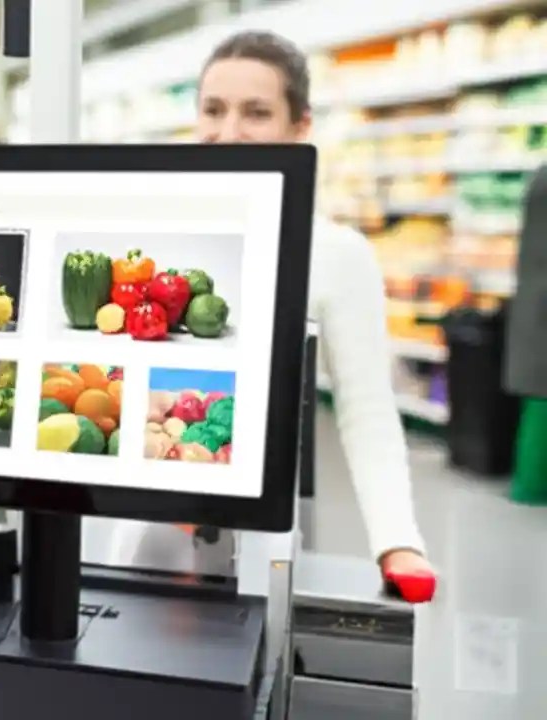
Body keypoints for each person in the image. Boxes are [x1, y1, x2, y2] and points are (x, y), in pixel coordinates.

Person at [114, 31, 437, 603]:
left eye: (256, 112)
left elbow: (368, 413)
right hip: (140, 522)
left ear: (300, 128)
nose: (228, 131)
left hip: (263, 535)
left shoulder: (336, 253)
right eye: (213, 110)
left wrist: (397, 541)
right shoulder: (152, 236)